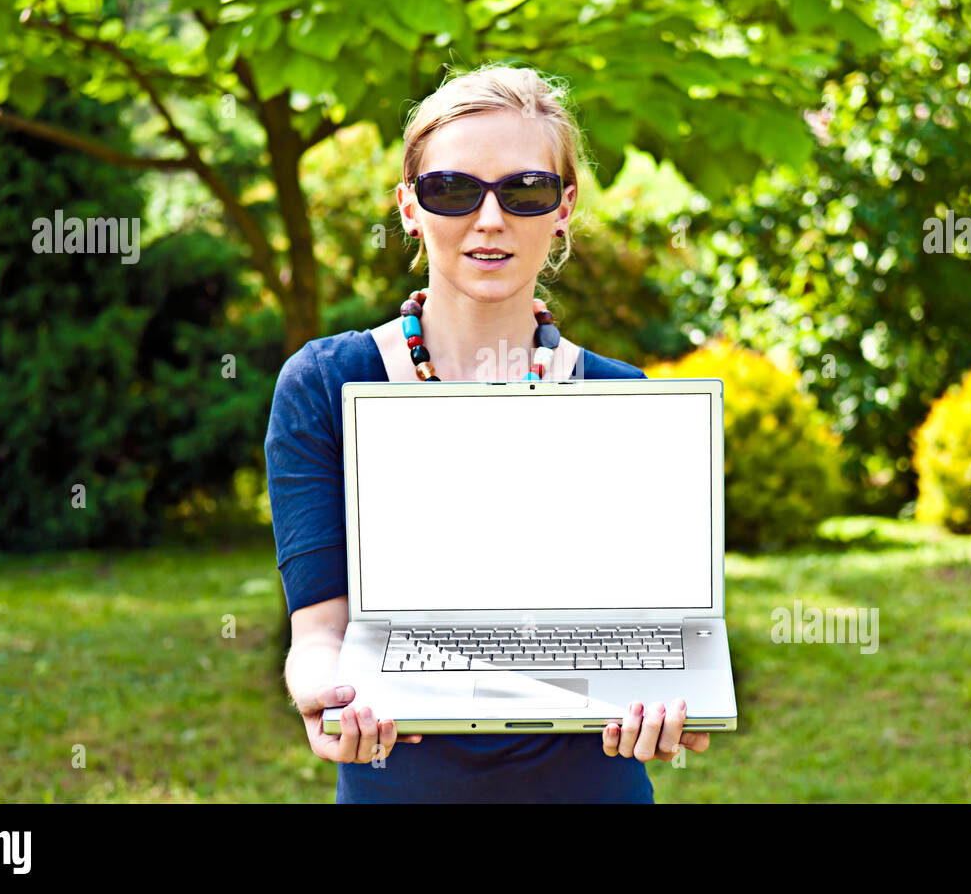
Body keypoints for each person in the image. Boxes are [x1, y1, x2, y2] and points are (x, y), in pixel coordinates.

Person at [265, 64, 710, 802]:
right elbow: (318, 627)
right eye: (452, 190)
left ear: (564, 207)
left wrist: (674, 699)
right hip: (397, 780)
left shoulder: (621, 400)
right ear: (409, 207)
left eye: (525, 190)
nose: (490, 219)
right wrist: (323, 691)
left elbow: (660, 638)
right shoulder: (322, 385)